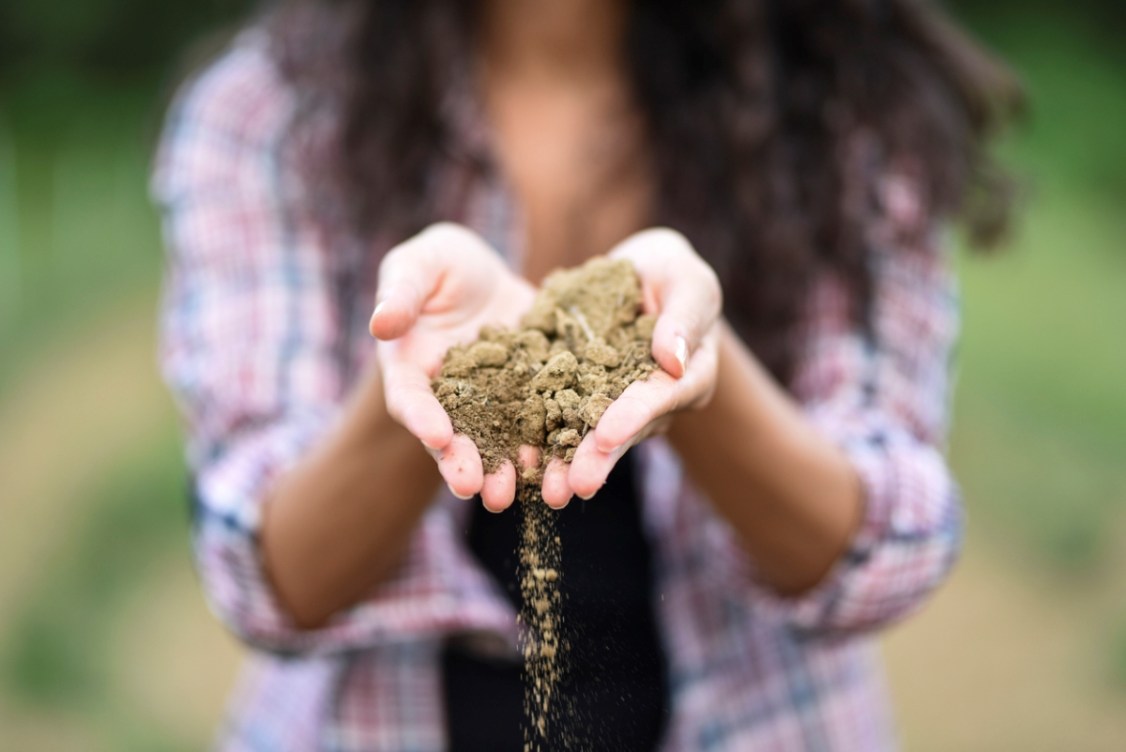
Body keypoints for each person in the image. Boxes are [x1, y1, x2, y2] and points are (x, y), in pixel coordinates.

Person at [153, 0, 1020, 749]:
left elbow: (890, 551)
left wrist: (695, 370)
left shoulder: (838, 106)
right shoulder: (272, 112)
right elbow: (265, 580)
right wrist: (420, 390)